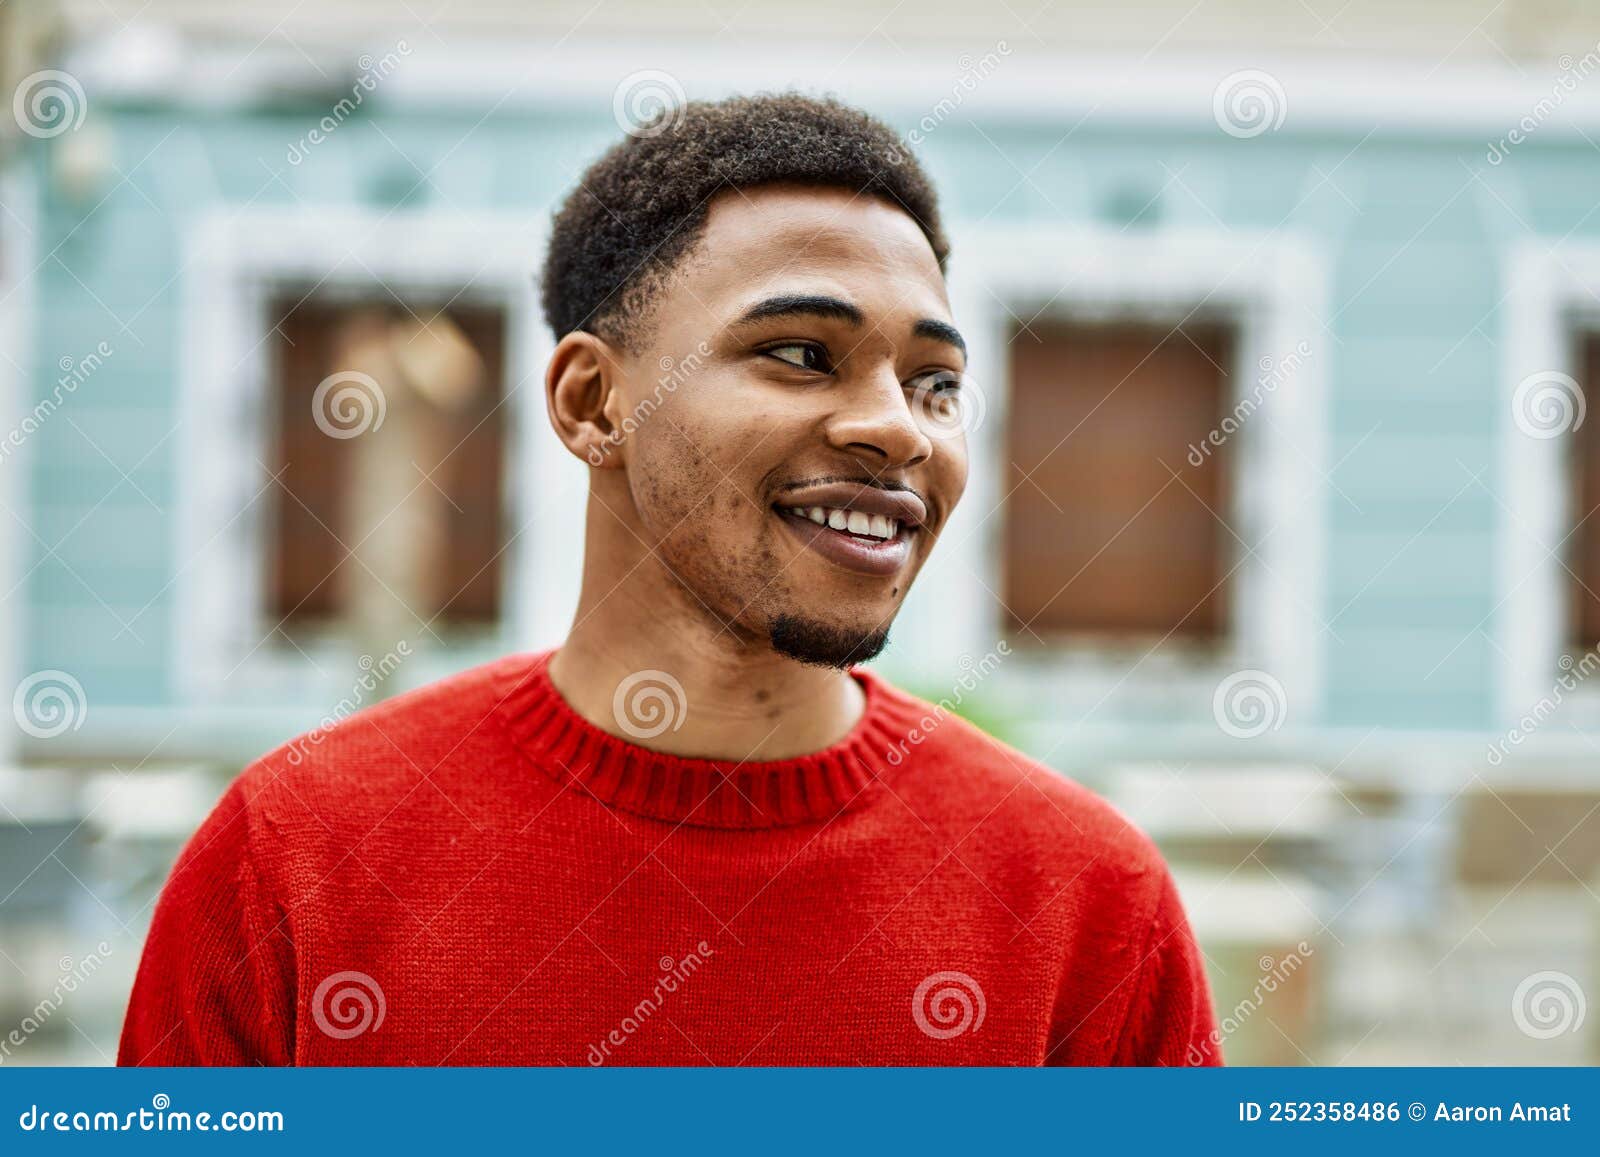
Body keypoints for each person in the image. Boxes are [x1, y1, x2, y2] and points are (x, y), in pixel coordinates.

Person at [119, 93, 1220, 1066]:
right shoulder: (297, 855)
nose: (896, 426)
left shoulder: (1085, 901)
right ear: (594, 403)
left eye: (935, 382)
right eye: (799, 352)